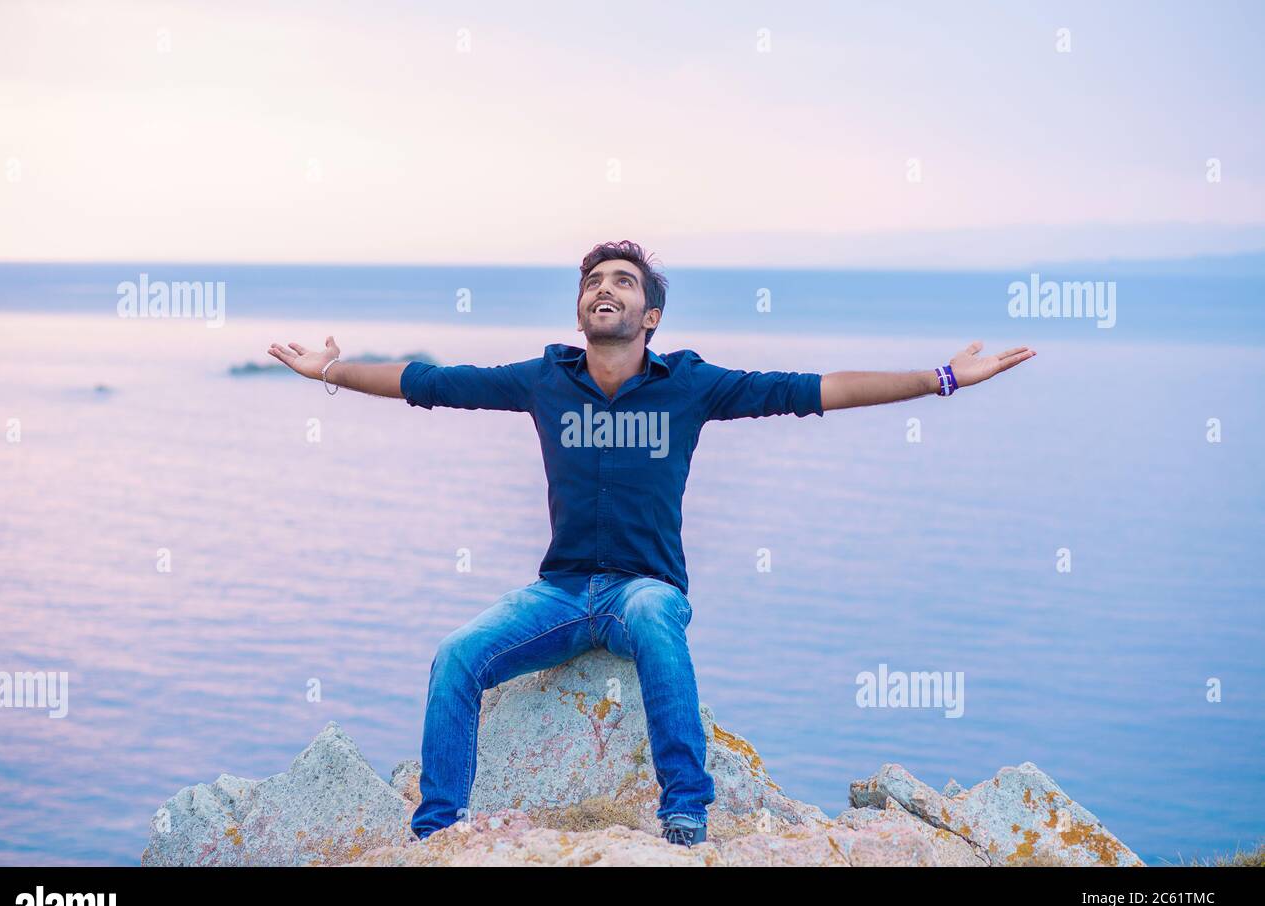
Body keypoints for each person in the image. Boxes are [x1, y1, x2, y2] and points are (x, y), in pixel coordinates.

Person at [268, 240, 1035, 847]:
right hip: (561, 593)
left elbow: (815, 389)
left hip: (644, 589)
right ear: (580, 310)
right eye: (595, 279)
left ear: (651, 315)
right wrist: (328, 370)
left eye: (625, 281)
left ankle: (686, 816)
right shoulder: (545, 379)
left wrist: (942, 378)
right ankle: (439, 833)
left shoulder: (690, 385)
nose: (607, 287)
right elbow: (429, 382)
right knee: (457, 656)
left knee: (659, 623)